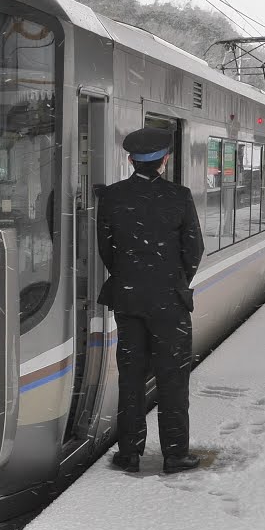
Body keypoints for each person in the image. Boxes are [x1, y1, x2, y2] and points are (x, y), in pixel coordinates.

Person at [96, 127, 205, 475]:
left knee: (130, 379)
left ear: (130, 160)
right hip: (169, 304)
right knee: (172, 379)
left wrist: (131, 278)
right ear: (165, 160)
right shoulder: (179, 196)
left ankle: (129, 453)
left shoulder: (112, 197)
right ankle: (175, 455)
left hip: (129, 302)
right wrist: (173, 281)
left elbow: (105, 249)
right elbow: (195, 249)